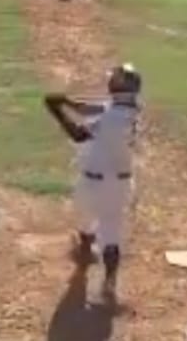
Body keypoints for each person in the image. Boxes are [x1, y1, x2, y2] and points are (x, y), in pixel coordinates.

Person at [42, 63, 143, 304]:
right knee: (104, 227)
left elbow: (78, 134)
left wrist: (57, 111)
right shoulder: (126, 111)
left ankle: (94, 263)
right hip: (119, 184)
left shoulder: (112, 118)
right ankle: (101, 271)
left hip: (95, 182)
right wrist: (67, 102)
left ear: (116, 86)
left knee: (96, 224)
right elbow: (91, 108)